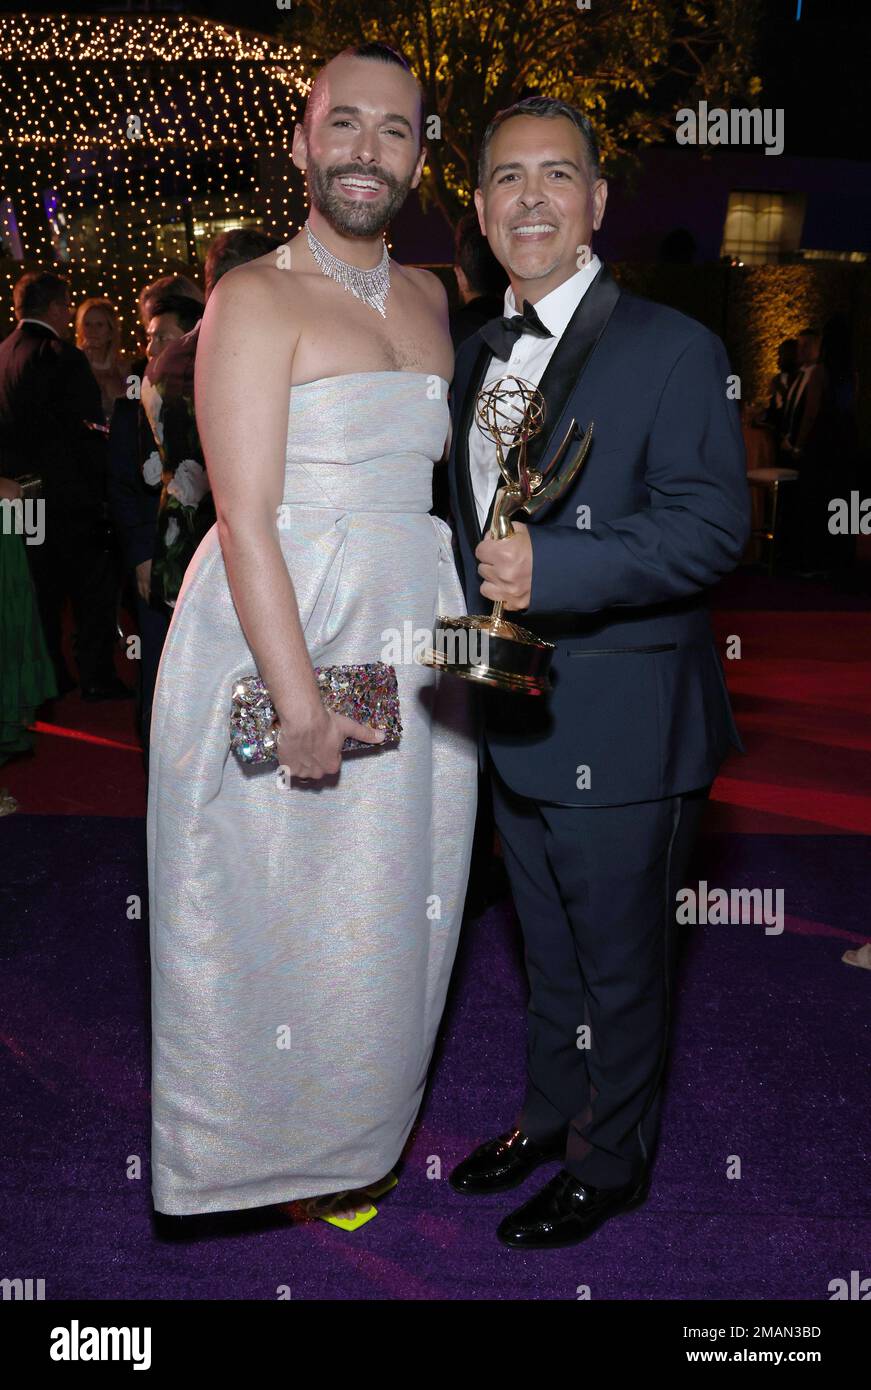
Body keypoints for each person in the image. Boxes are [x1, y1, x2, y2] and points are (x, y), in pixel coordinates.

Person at [147, 42, 477, 1225]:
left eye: (395, 130)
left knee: (389, 904)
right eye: (344, 124)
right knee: (265, 899)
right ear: (301, 141)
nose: (365, 151)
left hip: (414, 648)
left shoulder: (437, 298)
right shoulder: (253, 294)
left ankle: (356, 1141)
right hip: (279, 627)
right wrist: (294, 703)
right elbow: (241, 515)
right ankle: (249, 1155)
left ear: (419, 154)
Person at [445, 96, 750, 1248]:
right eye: (507, 178)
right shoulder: (477, 346)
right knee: (545, 946)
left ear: (597, 203)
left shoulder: (676, 348)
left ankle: (610, 1161)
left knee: (621, 967)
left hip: (626, 723)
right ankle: (545, 1116)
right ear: (477, 210)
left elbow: (713, 527)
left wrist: (554, 567)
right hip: (510, 708)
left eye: (557, 176)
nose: (531, 197)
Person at [0, 271, 131, 701]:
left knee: (42, 589)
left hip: (19, 495)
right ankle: (95, 675)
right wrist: (103, 490)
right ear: (57, 308)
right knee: (91, 589)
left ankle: (53, 673)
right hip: (69, 497)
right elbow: (88, 432)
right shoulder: (61, 355)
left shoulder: (3, 353)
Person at [75, 297, 128, 422]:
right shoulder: (73, 365)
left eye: (99, 325)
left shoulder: (127, 367)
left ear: (110, 331)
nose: (93, 331)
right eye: (87, 324)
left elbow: (136, 404)